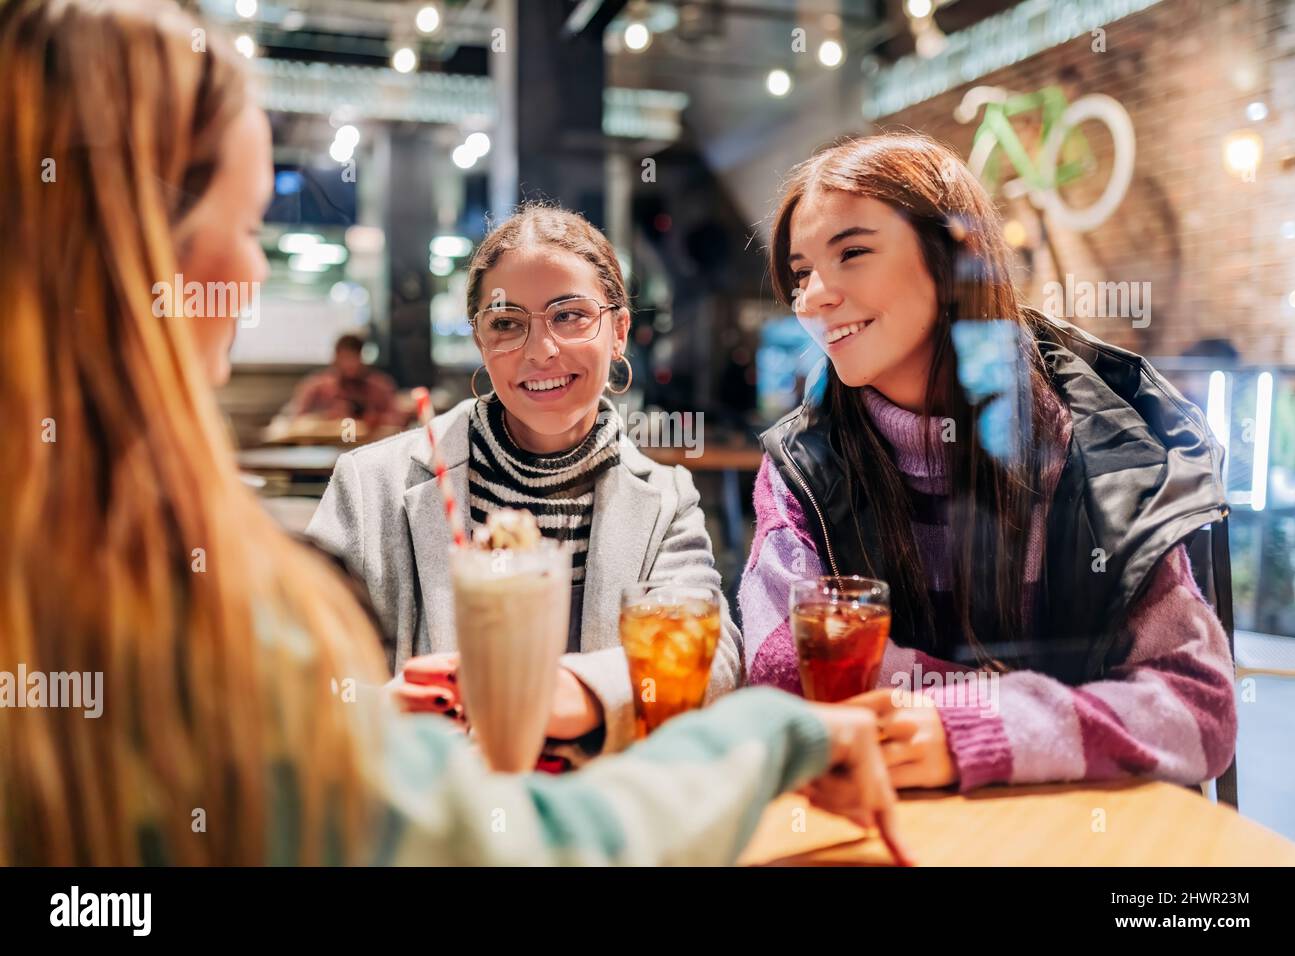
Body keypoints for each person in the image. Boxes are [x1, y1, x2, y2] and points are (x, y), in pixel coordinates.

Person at [2, 0, 916, 866]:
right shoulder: (282, 548)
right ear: (143, 250)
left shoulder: (114, 558)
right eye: (245, 223)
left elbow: (700, 645)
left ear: (618, 328)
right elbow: (520, 842)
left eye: (569, 316)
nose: (250, 266)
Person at [741, 133, 1237, 793]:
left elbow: (1198, 709)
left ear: (953, 261)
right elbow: (782, 670)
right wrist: (1065, 709)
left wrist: (964, 723)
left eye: (852, 252)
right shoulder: (800, 465)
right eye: (801, 272)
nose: (812, 298)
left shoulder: (1103, 451)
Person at [307, 206, 744, 759]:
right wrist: (377, 710)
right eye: (507, 323)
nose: (540, 352)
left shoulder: (666, 499)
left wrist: (570, 693)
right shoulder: (372, 485)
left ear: (620, 332)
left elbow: (714, 658)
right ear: (482, 343)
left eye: (570, 316)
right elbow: (286, 676)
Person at [281, 332, 404, 430]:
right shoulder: (316, 388)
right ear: (336, 358)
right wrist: (327, 418)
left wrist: (376, 419)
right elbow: (293, 421)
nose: (350, 365)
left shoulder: (379, 387)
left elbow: (399, 420)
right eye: (346, 358)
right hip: (322, 450)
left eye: (354, 357)